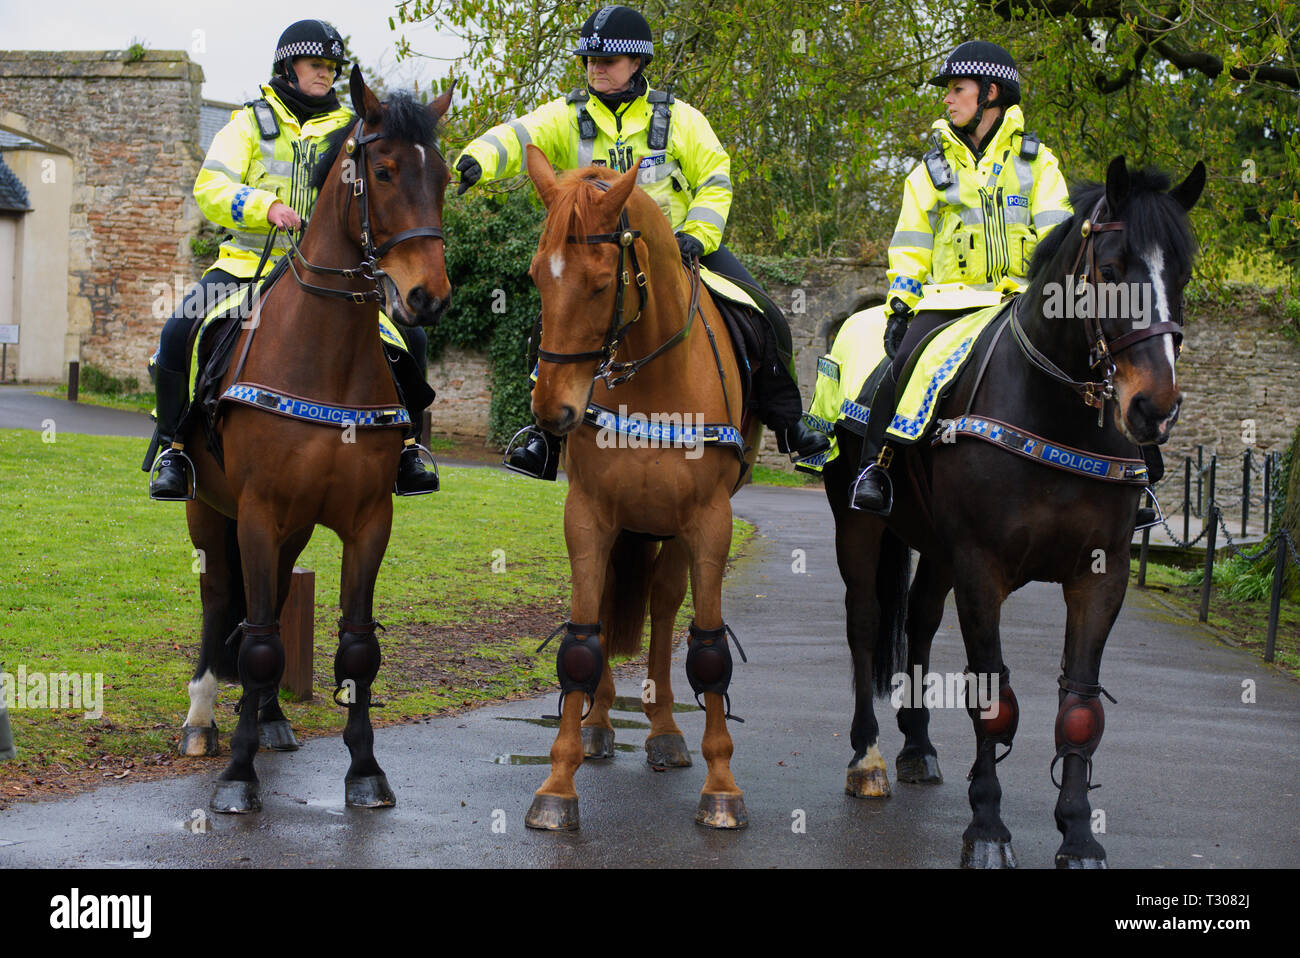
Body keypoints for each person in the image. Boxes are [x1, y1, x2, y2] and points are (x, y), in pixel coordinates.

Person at [455, 4, 829, 479]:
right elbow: (518, 136)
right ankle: (545, 438)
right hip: (601, 254)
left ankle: (791, 428)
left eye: (607, 61)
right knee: (550, 324)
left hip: (680, 248)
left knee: (764, 314)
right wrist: (477, 158)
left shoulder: (682, 119)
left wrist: (697, 233)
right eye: (590, 60)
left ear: (637, 65)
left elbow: (716, 177)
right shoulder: (566, 115)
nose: (596, 68)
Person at [147, 18, 438, 499]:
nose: (325, 73)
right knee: (178, 329)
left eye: (331, 66)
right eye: (315, 64)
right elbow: (209, 186)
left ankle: (408, 447)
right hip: (247, 265)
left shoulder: (354, 129)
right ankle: (174, 448)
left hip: (335, 273)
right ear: (288, 66)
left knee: (412, 339)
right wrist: (265, 207)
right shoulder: (247, 122)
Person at [850, 40, 1075, 514]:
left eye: (957, 89)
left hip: (1023, 301)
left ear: (990, 93)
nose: (947, 100)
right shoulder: (929, 172)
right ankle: (877, 468)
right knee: (902, 365)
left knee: (1095, 358)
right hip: (951, 301)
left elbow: (1060, 240)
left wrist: (1056, 298)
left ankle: (1138, 474)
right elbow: (912, 245)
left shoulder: (1039, 163)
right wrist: (899, 305)